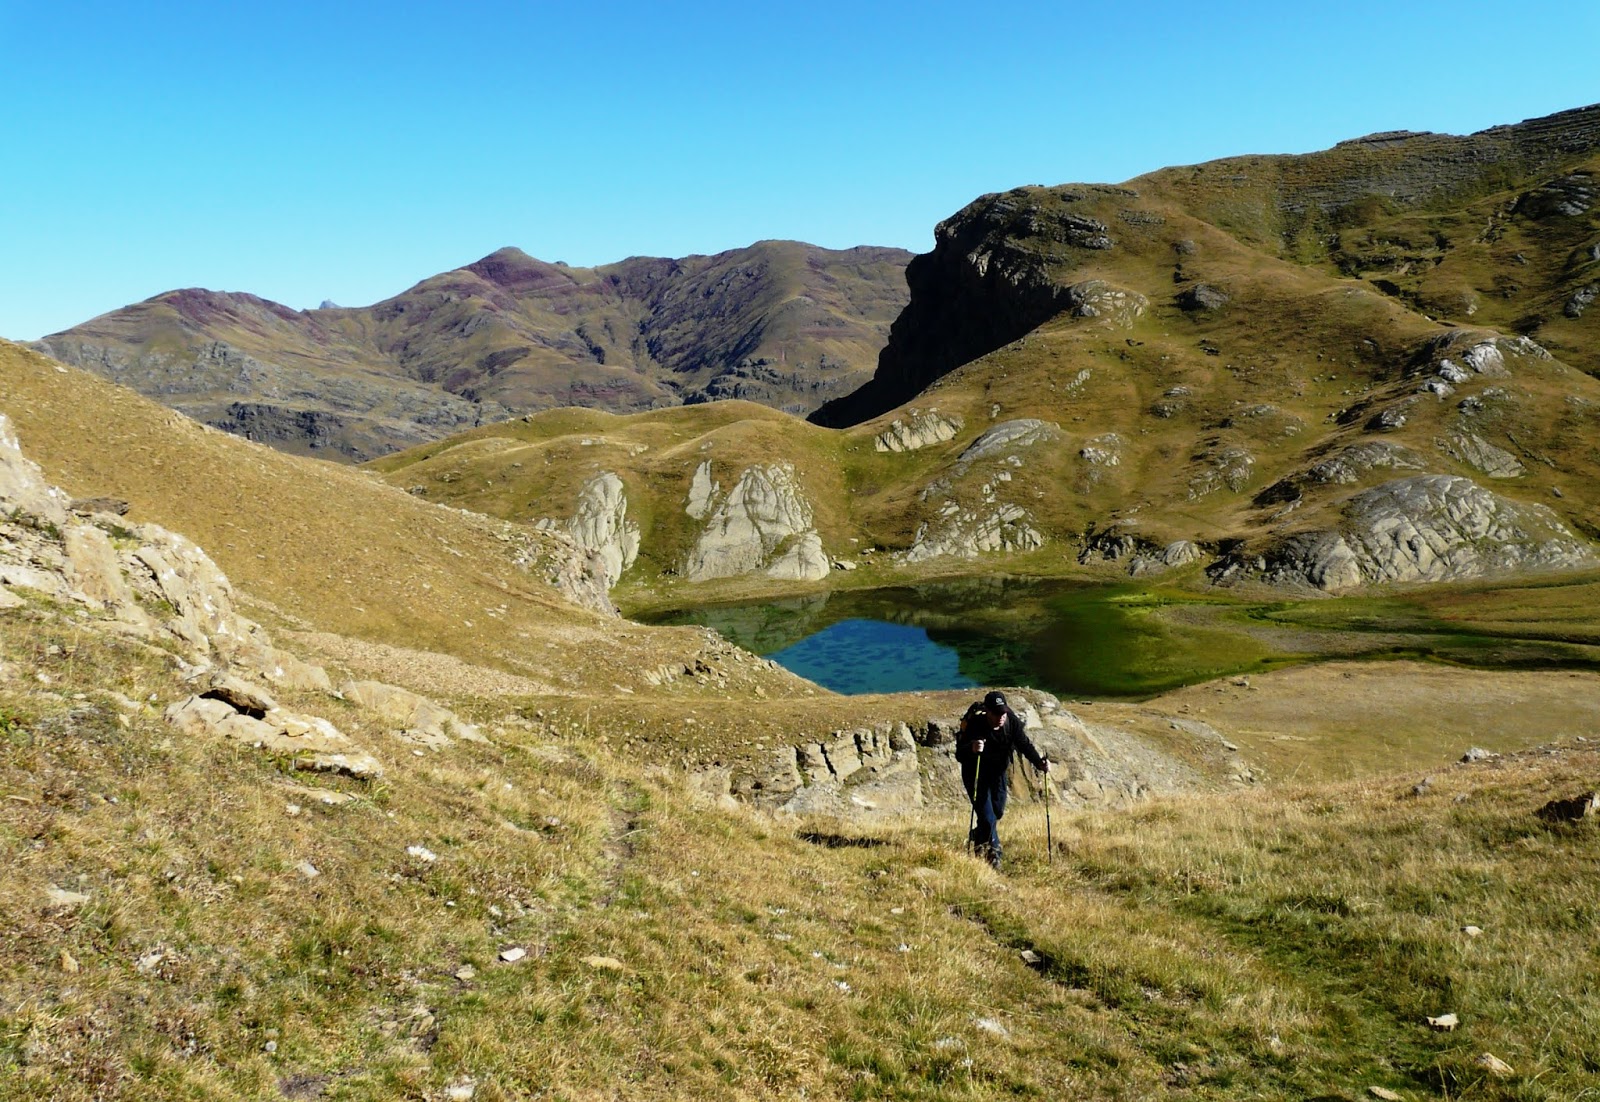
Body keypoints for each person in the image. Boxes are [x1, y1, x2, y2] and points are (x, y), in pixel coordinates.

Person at [955, 690, 1049, 870]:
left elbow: (1024, 745)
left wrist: (1039, 763)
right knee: (988, 817)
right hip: (975, 775)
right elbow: (960, 754)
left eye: (1003, 713)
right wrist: (972, 748)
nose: (1001, 717)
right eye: (997, 713)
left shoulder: (1011, 723)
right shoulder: (976, 724)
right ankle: (994, 855)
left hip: (998, 774)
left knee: (997, 812)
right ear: (988, 712)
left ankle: (978, 840)